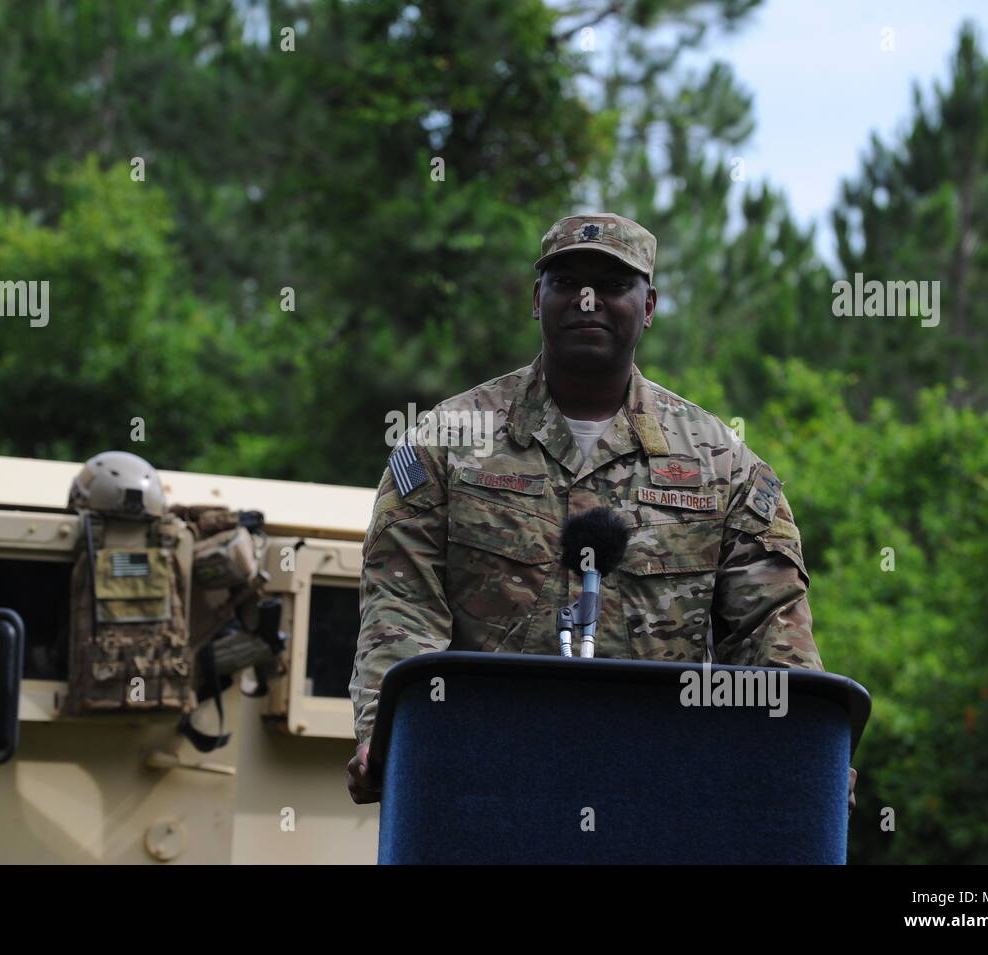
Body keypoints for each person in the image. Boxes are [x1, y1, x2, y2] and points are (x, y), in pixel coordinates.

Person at [346, 212, 830, 806]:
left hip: (661, 783)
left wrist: (808, 749)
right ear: (536, 299)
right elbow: (402, 607)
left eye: (613, 285)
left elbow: (768, 628)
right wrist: (390, 731)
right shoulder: (446, 440)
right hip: (482, 776)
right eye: (566, 281)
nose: (586, 299)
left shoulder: (721, 464)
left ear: (648, 305)